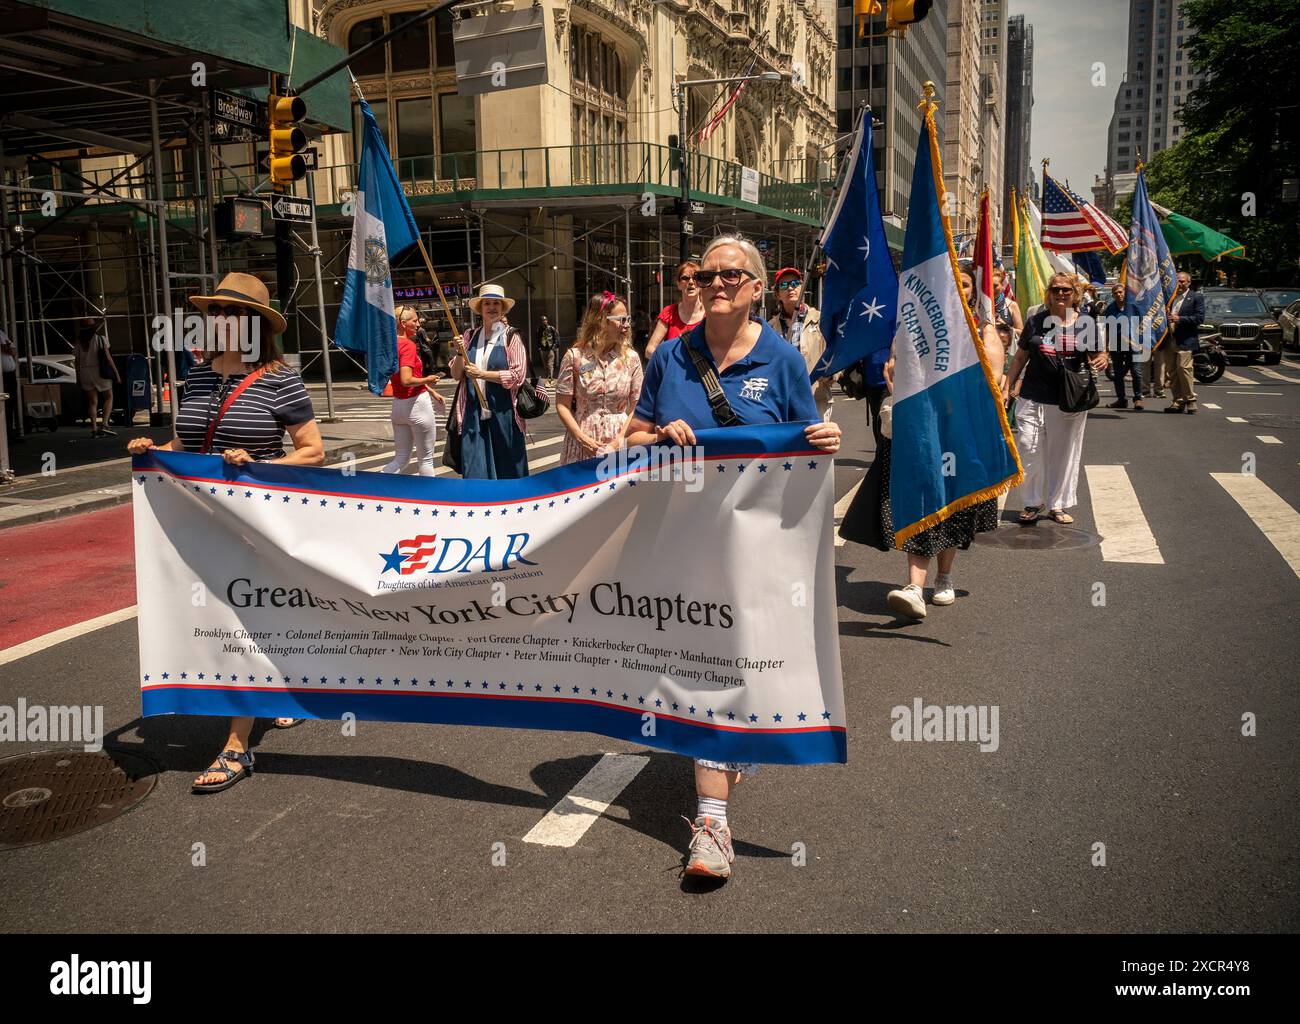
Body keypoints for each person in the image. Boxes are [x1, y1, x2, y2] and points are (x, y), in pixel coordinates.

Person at [624, 234, 842, 881]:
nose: (716, 282)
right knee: (710, 671)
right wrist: (659, 433)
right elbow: (631, 435)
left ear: (755, 288)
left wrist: (825, 439)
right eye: (706, 273)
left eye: (731, 274)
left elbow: (804, 442)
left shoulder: (781, 362)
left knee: (733, 673)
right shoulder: (668, 359)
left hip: (756, 555)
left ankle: (718, 801)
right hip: (682, 549)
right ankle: (713, 819)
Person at [126, 271, 325, 792]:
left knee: (240, 622)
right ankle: (273, 693)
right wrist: (155, 451)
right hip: (199, 524)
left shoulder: (281, 378)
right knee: (217, 617)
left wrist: (260, 464)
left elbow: (313, 451)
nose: (219, 321)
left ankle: (237, 746)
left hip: (254, 523)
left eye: (229, 313)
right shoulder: (198, 375)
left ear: (255, 324)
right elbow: (187, 441)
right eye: (214, 312)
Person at [841, 268, 1006, 620]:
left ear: (973, 293)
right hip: (921, 432)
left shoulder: (983, 333)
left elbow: (990, 384)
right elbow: (892, 373)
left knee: (954, 509)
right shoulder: (911, 329)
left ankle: (943, 577)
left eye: (963, 285)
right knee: (919, 501)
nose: (955, 290)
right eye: (950, 284)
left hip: (962, 439)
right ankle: (914, 585)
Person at [1002, 272, 1109, 525]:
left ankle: (1057, 504)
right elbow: (1020, 357)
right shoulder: (1036, 321)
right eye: (1056, 289)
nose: (1061, 293)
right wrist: (1008, 385)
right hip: (1032, 395)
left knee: (1063, 452)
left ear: (1075, 294)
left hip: (1068, 398)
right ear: (1048, 293)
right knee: (1028, 448)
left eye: (1066, 290)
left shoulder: (1085, 323)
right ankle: (1031, 502)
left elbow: (1098, 354)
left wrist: (1104, 358)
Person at [449, 283, 529, 479]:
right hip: (472, 414)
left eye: (496, 303)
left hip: (503, 414)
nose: (492, 307)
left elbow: (518, 376)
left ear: (502, 308)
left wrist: (482, 374)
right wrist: (460, 352)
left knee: (507, 469)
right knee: (474, 469)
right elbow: (456, 374)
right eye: (487, 303)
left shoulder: (511, 336)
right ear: (480, 308)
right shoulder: (469, 335)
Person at [555, 291, 643, 465]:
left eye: (628, 319)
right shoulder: (574, 357)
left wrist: (618, 442)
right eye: (621, 319)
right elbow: (562, 405)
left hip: (620, 442)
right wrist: (581, 438)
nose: (626, 325)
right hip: (581, 443)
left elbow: (637, 407)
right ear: (601, 320)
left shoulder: (631, 359)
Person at [383, 304, 446, 476]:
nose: (418, 324)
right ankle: (430, 499)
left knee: (401, 458)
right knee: (425, 460)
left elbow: (401, 378)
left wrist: (431, 391)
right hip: (417, 405)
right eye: (414, 320)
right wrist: (429, 379)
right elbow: (406, 379)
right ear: (403, 323)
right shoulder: (408, 345)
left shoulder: (389, 344)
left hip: (398, 407)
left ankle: (377, 486)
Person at [766, 266, 833, 420]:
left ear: (802, 288)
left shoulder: (821, 320)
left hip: (816, 398)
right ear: (777, 294)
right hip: (781, 401)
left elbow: (835, 351)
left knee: (816, 442)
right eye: (783, 285)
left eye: (795, 283)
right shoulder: (769, 328)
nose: (790, 288)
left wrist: (830, 376)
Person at [1162, 271, 1204, 415]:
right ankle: (1178, 401)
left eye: (1183, 282)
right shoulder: (1169, 297)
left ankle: (1191, 400)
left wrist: (1179, 319)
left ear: (1189, 282)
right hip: (1169, 339)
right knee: (1172, 372)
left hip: (1185, 339)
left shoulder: (1196, 297)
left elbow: (1199, 318)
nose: (1180, 284)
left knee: (1183, 369)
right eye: (1177, 281)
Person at [644, 260, 704, 361]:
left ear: (701, 283)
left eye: (695, 278)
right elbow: (649, 350)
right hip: (674, 373)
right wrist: (671, 363)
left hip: (702, 374)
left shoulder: (710, 313)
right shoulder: (669, 313)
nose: (690, 282)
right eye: (685, 278)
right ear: (679, 284)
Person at [74, 317, 120, 437]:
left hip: (85, 373)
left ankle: (94, 428)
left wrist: (78, 378)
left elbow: (77, 362)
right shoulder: (100, 339)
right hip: (99, 371)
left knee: (92, 402)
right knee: (109, 397)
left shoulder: (78, 343)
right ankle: (104, 424)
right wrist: (116, 373)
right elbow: (108, 358)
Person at [1103, 283, 1144, 410]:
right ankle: (1121, 399)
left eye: (1120, 292)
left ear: (1125, 293)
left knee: (1136, 371)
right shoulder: (1110, 309)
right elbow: (1108, 329)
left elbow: (1143, 325)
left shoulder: (1133, 307)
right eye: (1115, 293)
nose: (1118, 295)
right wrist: (1106, 347)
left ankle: (1138, 399)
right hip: (1117, 345)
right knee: (1118, 374)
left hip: (1134, 344)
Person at [1, 326, 22, 443]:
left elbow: (13, 351)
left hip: (9, 374)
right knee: (5, 404)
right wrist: (7, 347)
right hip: (3, 376)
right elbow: (5, 348)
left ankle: (10, 433)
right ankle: (7, 434)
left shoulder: (2, 333)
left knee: (11, 403)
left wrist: (8, 347)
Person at [993, 266, 1023, 332]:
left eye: (995, 286)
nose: (992, 289)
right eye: (989, 286)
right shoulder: (980, 305)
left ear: (1002, 286)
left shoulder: (1011, 305)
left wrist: (1004, 326)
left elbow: (1021, 333)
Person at [536, 315, 559, 382]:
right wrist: (539, 347)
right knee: (545, 365)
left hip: (550, 349)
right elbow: (538, 339)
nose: (544, 321)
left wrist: (554, 346)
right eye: (543, 320)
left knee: (550, 364)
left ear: (547, 321)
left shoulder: (551, 328)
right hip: (543, 350)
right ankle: (547, 378)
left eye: (545, 320)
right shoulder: (539, 330)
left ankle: (550, 378)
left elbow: (556, 337)